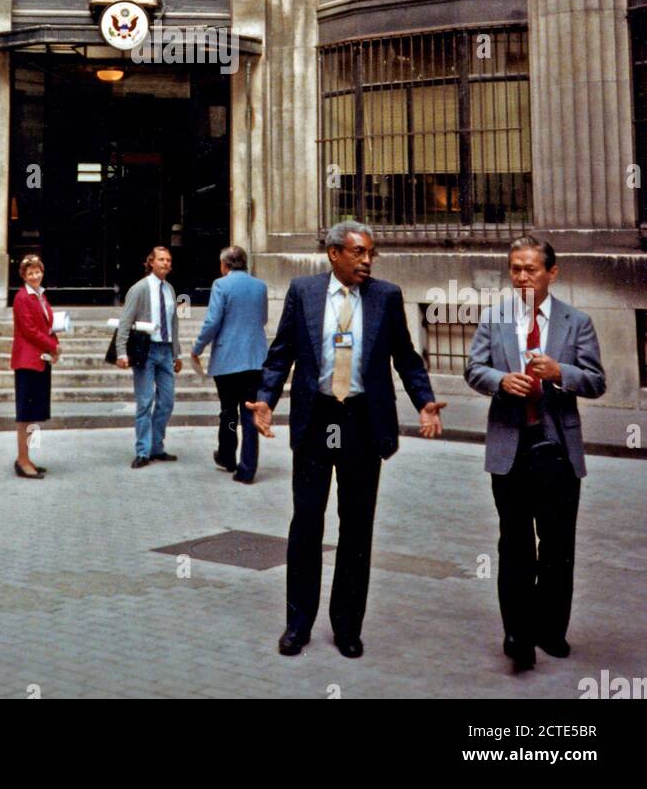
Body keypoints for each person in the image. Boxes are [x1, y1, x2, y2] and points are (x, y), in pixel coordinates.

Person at [247, 220, 446, 658]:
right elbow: (281, 353)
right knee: (306, 523)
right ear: (334, 253)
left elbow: (406, 357)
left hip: (361, 423)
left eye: (371, 253)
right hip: (317, 420)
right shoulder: (303, 292)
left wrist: (424, 402)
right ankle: (298, 624)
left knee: (356, 528)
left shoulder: (385, 296)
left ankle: (347, 627)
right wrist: (266, 399)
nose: (367, 261)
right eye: (359, 252)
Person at [465, 235, 606, 671]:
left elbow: (597, 381)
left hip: (557, 448)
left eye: (531, 269)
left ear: (551, 273)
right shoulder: (495, 318)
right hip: (511, 445)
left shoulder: (576, 322)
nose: (522, 277)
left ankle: (551, 629)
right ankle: (517, 635)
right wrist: (501, 381)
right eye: (515, 269)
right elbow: (474, 368)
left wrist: (561, 372)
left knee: (558, 545)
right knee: (515, 544)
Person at [191, 246, 268, 484]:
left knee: (229, 411)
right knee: (250, 412)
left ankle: (227, 455)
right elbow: (263, 318)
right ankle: (248, 468)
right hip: (254, 358)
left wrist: (198, 348)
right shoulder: (260, 286)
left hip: (227, 359)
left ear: (225, 265)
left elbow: (213, 321)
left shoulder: (221, 285)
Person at [116, 246, 182, 469]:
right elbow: (125, 321)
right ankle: (143, 451)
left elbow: (173, 323)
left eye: (168, 260)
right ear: (151, 262)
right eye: (161, 259)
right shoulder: (139, 289)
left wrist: (177, 353)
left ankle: (157, 446)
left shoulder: (170, 290)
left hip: (165, 350)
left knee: (167, 401)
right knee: (145, 401)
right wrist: (121, 351)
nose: (165, 263)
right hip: (146, 350)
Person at [11, 254, 60, 479]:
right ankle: (22, 460)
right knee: (25, 414)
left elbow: (47, 325)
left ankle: (27, 457)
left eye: (37, 271)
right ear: (24, 276)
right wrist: (53, 346)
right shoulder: (22, 297)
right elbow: (30, 330)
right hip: (27, 361)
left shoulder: (40, 296)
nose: (35, 276)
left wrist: (54, 346)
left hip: (40, 359)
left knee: (33, 413)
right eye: (30, 273)